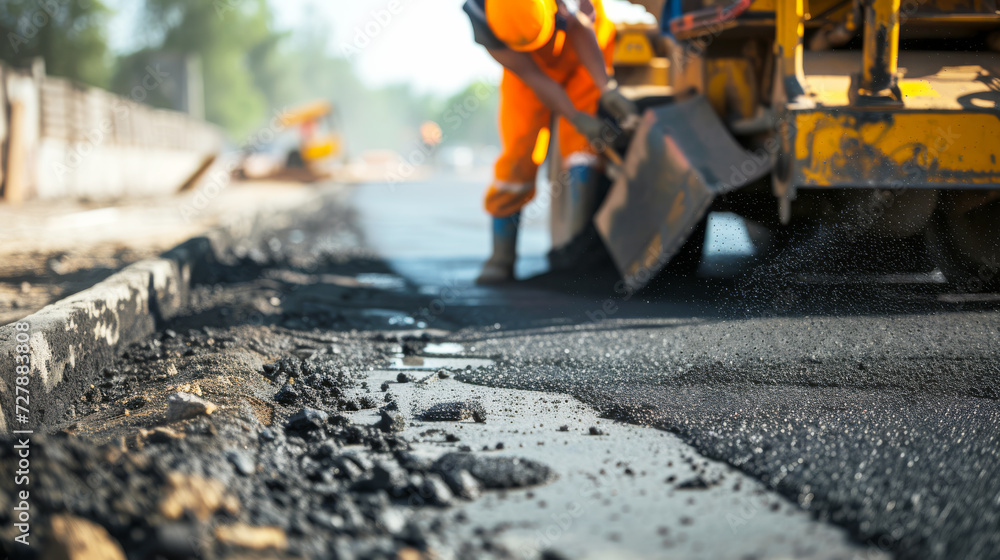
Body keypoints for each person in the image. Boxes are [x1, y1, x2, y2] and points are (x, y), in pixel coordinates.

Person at [464, 0, 638, 284]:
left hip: (584, 49)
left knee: (583, 151)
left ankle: (576, 252)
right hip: (530, 71)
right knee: (519, 154)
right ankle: (501, 257)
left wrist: (606, 87)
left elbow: (582, 31)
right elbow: (533, 76)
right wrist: (575, 116)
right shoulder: (481, 16)